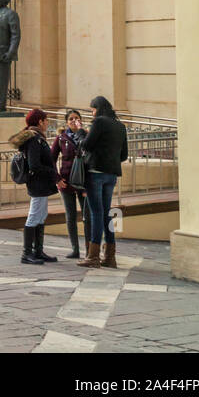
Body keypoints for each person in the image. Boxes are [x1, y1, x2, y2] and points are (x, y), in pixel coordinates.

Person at [79, 95, 129, 269]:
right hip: (111, 175)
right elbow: (124, 155)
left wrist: (80, 133)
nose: (92, 113)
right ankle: (110, 257)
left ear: (97, 108)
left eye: (92, 110)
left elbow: (87, 145)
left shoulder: (99, 122)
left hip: (96, 173)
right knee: (107, 213)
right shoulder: (120, 126)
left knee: (96, 213)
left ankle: (93, 257)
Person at [10, 107, 59, 265]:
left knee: (41, 215)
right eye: (46, 121)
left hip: (42, 184)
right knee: (34, 216)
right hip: (37, 183)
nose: (47, 124)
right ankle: (27, 253)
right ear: (40, 121)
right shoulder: (34, 139)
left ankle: (38, 251)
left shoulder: (37, 137)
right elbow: (35, 165)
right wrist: (52, 173)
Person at [51, 109, 92, 259]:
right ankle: (75, 249)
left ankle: (89, 250)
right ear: (67, 122)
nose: (74, 121)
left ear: (81, 120)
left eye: (77, 118)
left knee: (87, 216)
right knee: (71, 216)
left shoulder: (87, 136)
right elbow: (51, 159)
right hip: (66, 182)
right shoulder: (61, 138)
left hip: (83, 182)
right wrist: (57, 178)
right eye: (71, 119)